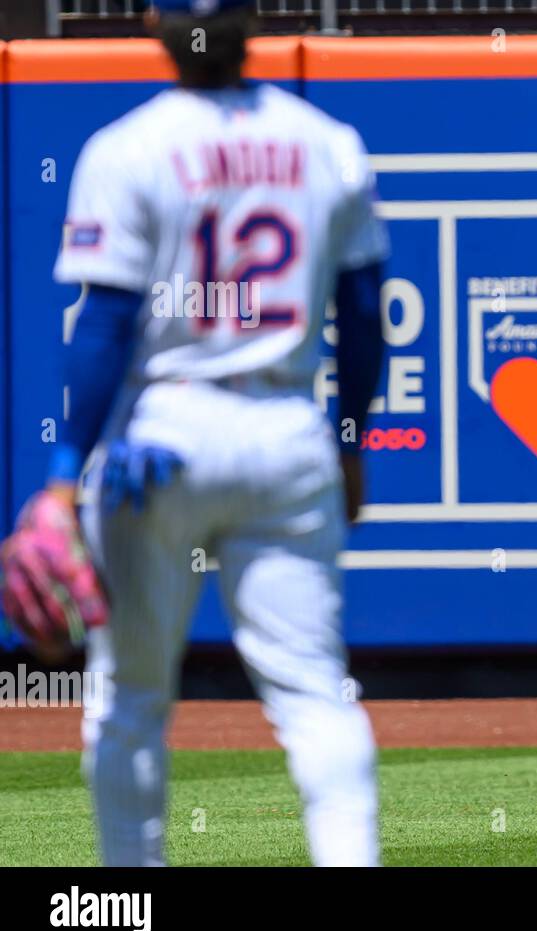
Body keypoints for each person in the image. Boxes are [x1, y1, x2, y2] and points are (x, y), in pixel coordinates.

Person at [36, 0, 386, 865]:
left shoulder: (126, 147)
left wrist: (60, 472)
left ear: (159, 24)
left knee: (130, 699)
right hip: (285, 426)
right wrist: (349, 441)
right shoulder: (326, 142)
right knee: (314, 696)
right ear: (252, 24)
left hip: (165, 435)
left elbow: (106, 327)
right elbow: (366, 314)